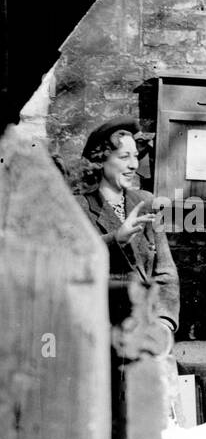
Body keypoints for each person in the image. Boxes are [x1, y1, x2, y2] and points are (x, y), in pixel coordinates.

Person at [75, 116, 180, 333]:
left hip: (147, 328)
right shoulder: (78, 207)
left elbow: (166, 272)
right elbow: (72, 266)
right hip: (101, 330)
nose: (133, 165)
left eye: (135, 156)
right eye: (124, 157)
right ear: (102, 160)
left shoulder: (147, 202)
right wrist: (116, 239)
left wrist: (164, 322)